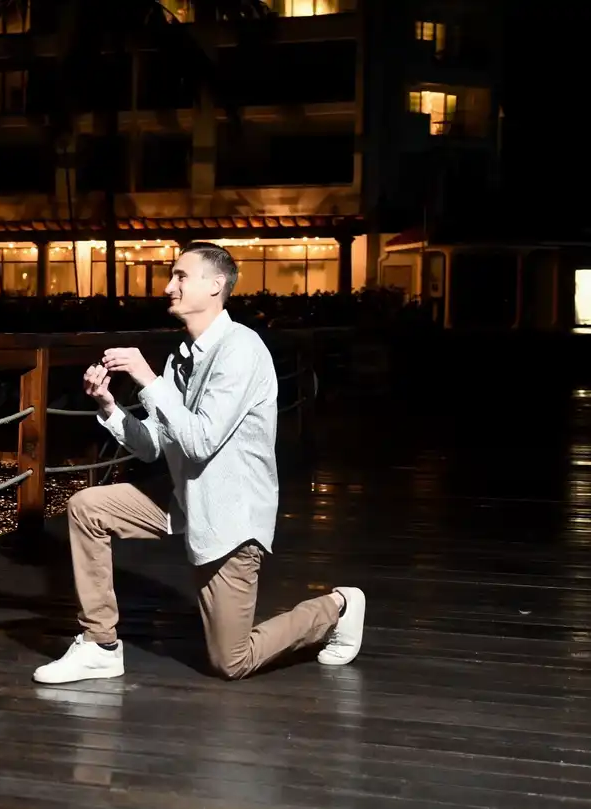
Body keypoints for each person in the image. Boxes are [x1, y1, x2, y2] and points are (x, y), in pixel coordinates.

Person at [33, 241, 365, 685]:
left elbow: (201, 441)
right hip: (185, 499)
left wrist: (148, 378)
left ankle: (337, 608)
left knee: (232, 661)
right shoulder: (181, 358)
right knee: (88, 507)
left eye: (180, 276)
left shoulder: (242, 350)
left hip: (230, 517)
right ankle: (100, 646)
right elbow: (153, 445)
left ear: (215, 285)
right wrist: (111, 407)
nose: (169, 286)